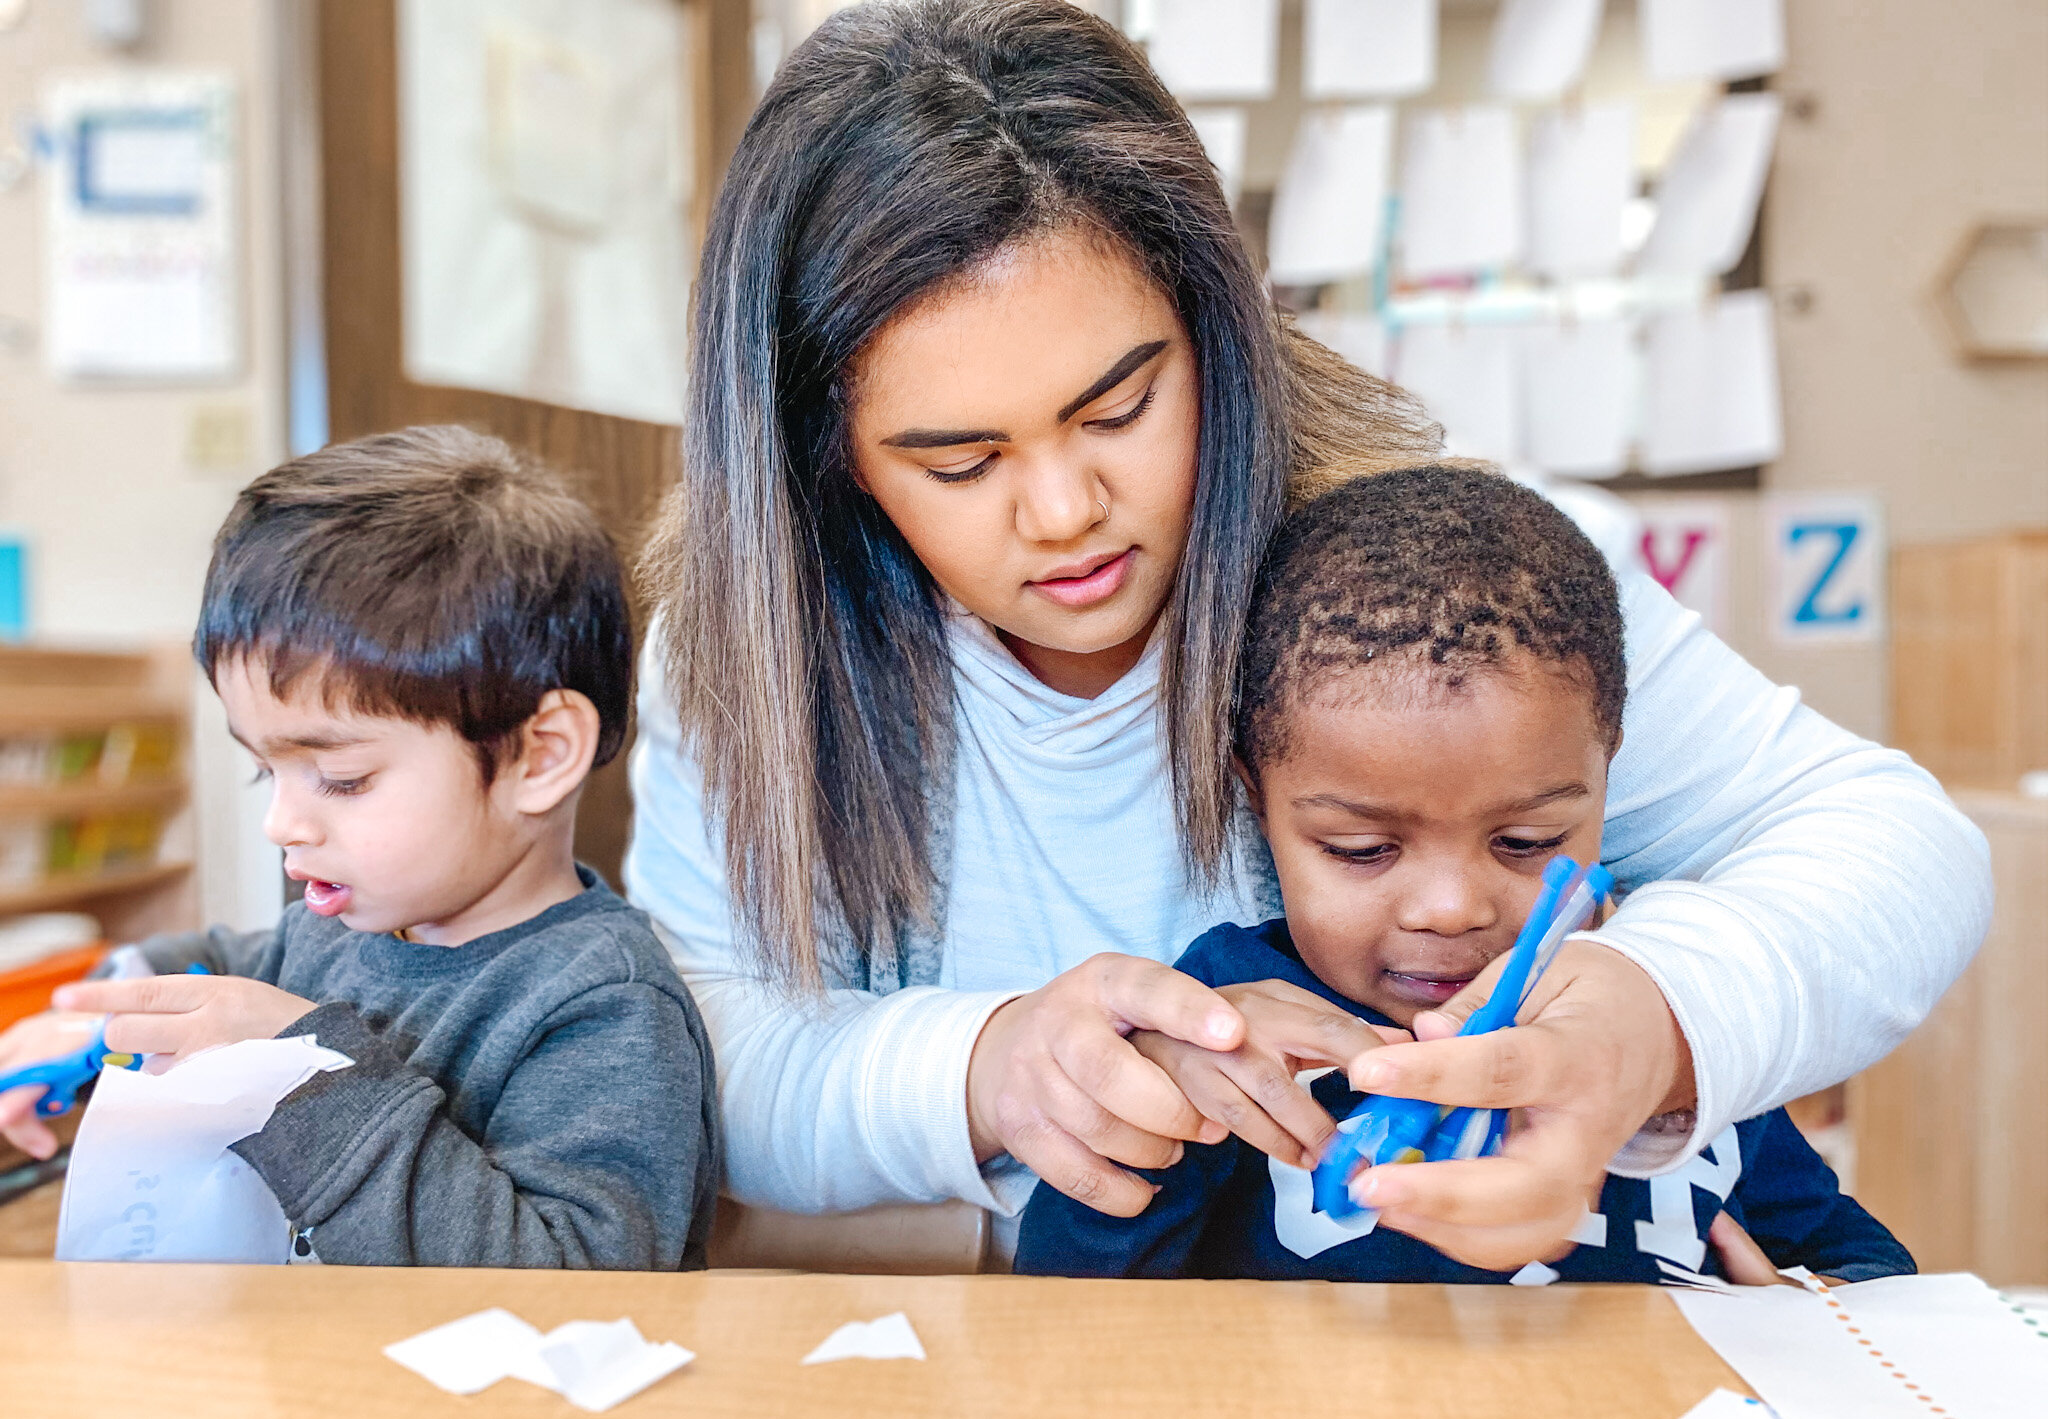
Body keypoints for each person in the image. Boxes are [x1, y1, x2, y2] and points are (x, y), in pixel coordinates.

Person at [626, 0, 1987, 1269]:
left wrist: (1658, 1011)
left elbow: (1902, 847)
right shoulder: (741, 661)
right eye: (961, 460)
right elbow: (704, 1060)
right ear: (831, 462)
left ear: (1215, 330)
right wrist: (993, 1062)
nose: (1066, 510)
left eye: (1118, 408)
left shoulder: (1443, 580)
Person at [1015, 467, 1914, 1286]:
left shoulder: (1670, 1012)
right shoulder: (1227, 1019)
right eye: (1362, 851)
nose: (1451, 909)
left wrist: (1818, 1311)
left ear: (1609, 776)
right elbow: (1065, 1304)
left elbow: (1859, 1258)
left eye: (1526, 839)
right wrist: (1160, 1108)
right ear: (1258, 799)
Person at [0, 427, 719, 1269]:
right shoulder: (341, 925)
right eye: (262, 770)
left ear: (540, 753)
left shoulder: (600, 1006)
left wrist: (303, 1077)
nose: (282, 823)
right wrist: (97, 1014)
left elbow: (578, 1282)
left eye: (339, 778)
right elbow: (225, 966)